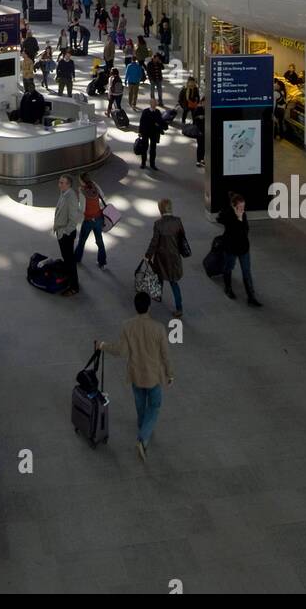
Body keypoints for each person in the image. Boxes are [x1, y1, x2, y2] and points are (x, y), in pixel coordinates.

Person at [97, 291, 174, 461]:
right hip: (153, 376)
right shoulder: (159, 328)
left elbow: (120, 351)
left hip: (136, 375)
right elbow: (165, 355)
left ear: (135, 307)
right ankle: (142, 438)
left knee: (140, 406)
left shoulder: (127, 326)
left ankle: (143, 428)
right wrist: (170, 374)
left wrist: (102, 345)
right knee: (154, 407)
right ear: (149, 306)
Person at [217, 193, 262, 306]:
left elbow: (245, 231)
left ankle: (251, 296)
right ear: (233, 206)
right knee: (229, 267)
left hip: (243, 248)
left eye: (243, 206)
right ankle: (228, 288)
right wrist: (238, 219)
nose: (242, 209)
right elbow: (234, 231)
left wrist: (241, 218)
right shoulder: (228, 215)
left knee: (246, 271)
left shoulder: (243, 214)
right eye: (240, 207)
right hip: (231, 248)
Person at [145, 199, 185, 316]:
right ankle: (179, 308)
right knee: (174, 283)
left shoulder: (158, 224)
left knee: (159, 277)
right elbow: (182, 238)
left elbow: (154, 242)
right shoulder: (178, 221)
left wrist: (148, 255)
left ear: (160, 209)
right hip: (174, 257)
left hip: (161, 257)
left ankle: (158, 295)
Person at [73, 174, 108, 270]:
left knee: (82, 241)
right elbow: (103, 196)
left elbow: (82, 209)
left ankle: (76, 259)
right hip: (99, 218)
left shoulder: (82, 191)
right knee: (99, 241)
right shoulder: (95, 185)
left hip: (88, 220)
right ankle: (102, 262)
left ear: (82, 181)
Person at [54, 174, 80, 296]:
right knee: (67, 259)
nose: (59, 184)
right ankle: (69, 279)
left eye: (62, 183)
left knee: (70, 261)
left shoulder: (71, 197)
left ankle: (74, 286)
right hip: (61, 232)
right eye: (59, 182)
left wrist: (65, 232)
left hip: (66, 234)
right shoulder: (64, 193)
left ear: (69, 184)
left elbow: (74, 219)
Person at [138, 97, 164, 171]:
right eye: (153, 103)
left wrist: (159, 125)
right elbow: (141, 122)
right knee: (144, 148)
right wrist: (140, 132)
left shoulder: (158, 112)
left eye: (155, 103)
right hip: (145, 133)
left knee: (153, 149)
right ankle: (143, 163)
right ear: (150, 103)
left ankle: (152, 164)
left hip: (154, 133)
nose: (154, 104)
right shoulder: (145, 111)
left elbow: (160, 121)